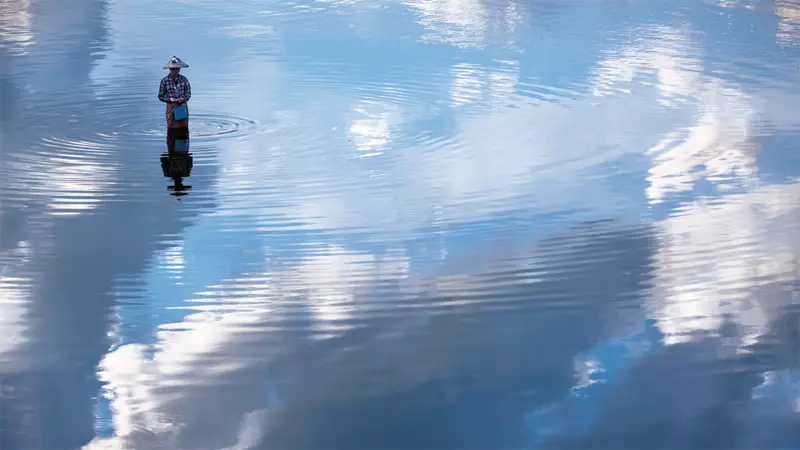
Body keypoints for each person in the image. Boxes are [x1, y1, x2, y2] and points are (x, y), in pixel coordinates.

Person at [158, 56, 191, 133]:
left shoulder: (184, 80)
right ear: (170, 69)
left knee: (184, 128)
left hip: (182, 106)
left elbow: (188, 94)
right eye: (173, 69)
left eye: (177, 68)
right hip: (171, 107)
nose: (175, 70)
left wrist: (183, 99)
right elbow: (160, 96)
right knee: (172, 129)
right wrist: (170, 99)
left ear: (179, 69)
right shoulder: (165, 81)